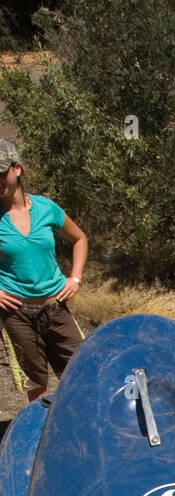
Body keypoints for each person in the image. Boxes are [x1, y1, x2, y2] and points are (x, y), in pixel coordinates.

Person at [0, 140, 88, 401]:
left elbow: (80, 239)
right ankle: (40, 438)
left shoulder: (45, 207)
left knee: (82, 372)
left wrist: (76, 278)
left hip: (56, 306)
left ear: (17, 170)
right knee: (37, 386)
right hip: (16, 314)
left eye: (1, 173)